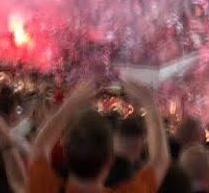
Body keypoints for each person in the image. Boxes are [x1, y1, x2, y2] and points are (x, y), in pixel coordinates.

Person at [27, 80, 169, 193]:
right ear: (109, 161)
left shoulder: (43, 187)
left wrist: (70, 104)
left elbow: (40, 146)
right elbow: (160, 161)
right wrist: (149, 104)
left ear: (65, 152)